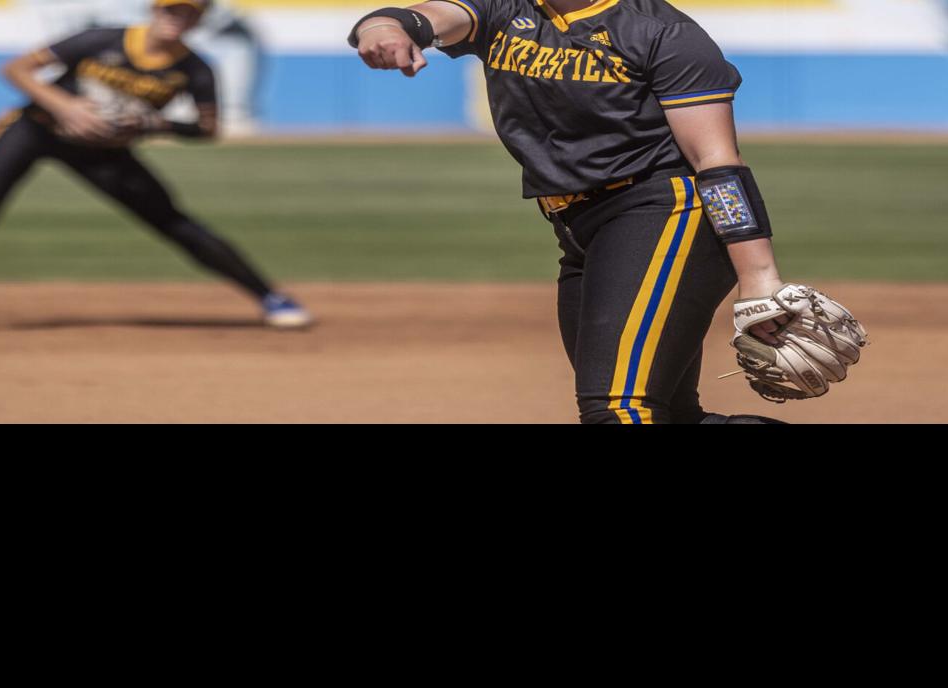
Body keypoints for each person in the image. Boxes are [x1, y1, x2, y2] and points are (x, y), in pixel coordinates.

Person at [349, 0, 864, 423]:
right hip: (580, 229)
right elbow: (425, 17)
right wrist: (384, 27)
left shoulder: (661, 32)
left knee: (618, 408)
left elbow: (717, 164)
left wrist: (758, 279)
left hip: (664, 215)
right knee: (665, 413)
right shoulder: (506, 10)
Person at [0, 0, 311, 331]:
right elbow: (16, 68)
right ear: (155, 10)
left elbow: (208, 128)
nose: (177, 18)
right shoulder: (100, 40)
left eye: (189, 12)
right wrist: (66, 106)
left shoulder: (194, 69)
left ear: (199, 20)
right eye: (172, 9)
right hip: (33, 130)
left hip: (104, 151)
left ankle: (270, 297)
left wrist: (153, 124)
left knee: (173, 222)